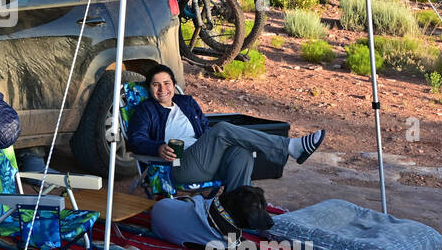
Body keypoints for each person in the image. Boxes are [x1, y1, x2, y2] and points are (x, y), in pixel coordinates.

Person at [126, 63, 325, 195]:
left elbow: (204, 129)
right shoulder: (146, 110)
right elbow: (136, 140)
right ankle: (289, 147)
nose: (162, 89)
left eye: (167, 83)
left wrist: (215, 147)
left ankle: (236, 211)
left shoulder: (186, 102)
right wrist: (158, 148)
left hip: (205, 160)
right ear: (149, 88)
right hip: (180, 166)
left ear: (174, 84)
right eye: (156, 85)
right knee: (221, 129)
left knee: (242, 150)